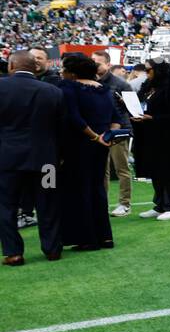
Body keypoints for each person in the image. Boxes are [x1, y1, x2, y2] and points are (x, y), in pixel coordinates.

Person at [0, 50, 64, 265]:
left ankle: (13, 252)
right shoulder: (53, 91)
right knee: (49, 203)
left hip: (7, 160)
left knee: (6, 205)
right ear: (35, 67)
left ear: (11, 66)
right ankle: (53, 249)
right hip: (47, 160)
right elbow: (61, 129)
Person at [56, 52, 116, 251]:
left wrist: (94, 136)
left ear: (72, 73)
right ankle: (105, 237)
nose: (61, 72)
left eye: (64, 69)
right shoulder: (104, 89)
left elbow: (75, 118)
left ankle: (88, 239)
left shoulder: (68, 88)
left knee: (79, 190)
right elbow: (116, 118)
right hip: (101, 147)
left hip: (78, 146)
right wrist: (106, 137)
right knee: (97, 188)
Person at [131, 58, 170, 221]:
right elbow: (140, 102)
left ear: (159, 70)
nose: (146, 73)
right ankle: (160, 205)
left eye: (149, 70)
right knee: (155, 171)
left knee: (169, 171)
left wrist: (152, 118)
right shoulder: (148, 85)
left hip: (168, 137)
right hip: (150, 135)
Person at [95, 50, 134, 216]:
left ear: (107, 64)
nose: (94, 65)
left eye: (98, 62)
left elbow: (133, 108)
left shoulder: (121, 83)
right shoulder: (90, 82)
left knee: (121, 169)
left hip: (119, 131)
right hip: (99, 131)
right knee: (101, 170)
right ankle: (101, 203)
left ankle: (125, 204)